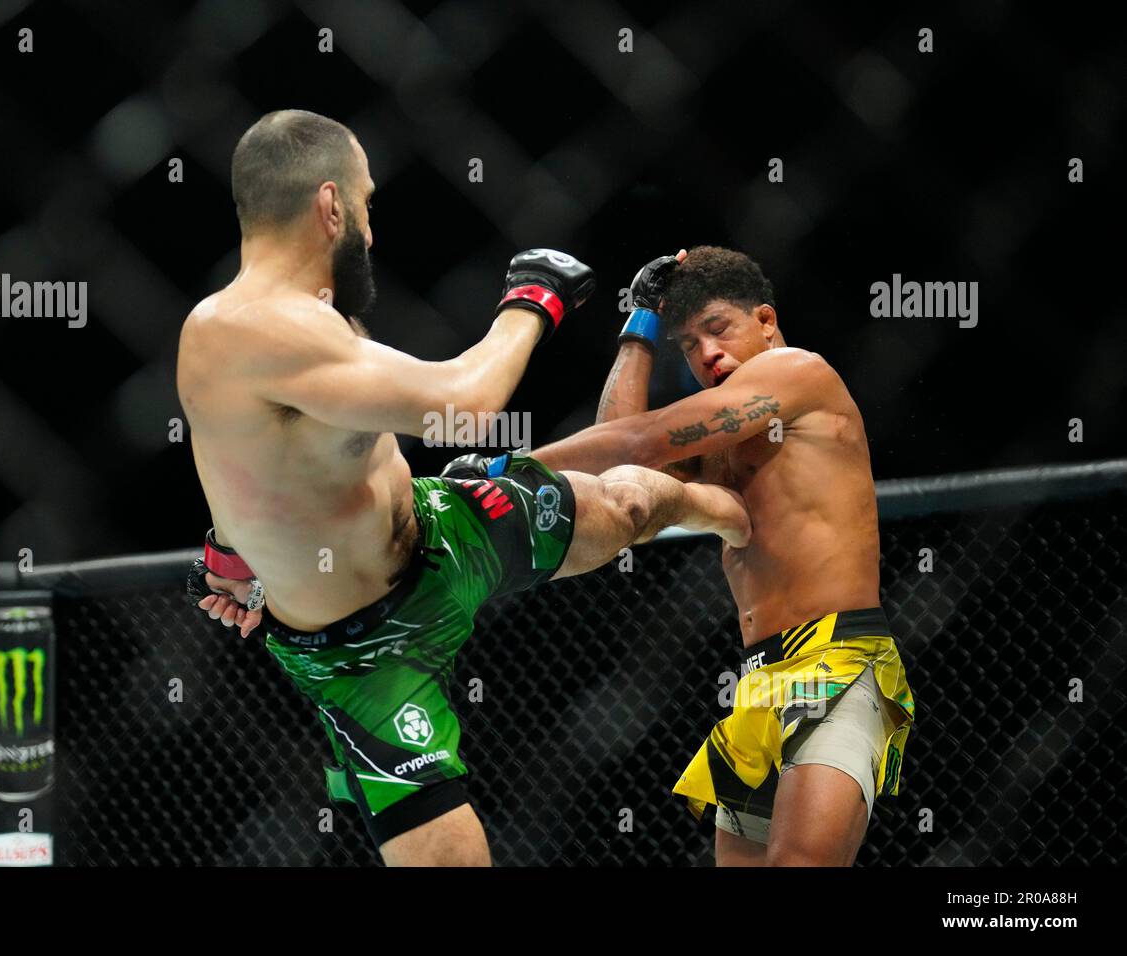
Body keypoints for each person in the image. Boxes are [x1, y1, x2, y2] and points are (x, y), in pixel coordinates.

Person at [178, 110, 751, 866]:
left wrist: (235, 545)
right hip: (365, 659)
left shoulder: (309, 322)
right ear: (331, 207)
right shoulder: (242, 328)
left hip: (441, 533)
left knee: (628, 504)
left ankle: (742, 519)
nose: (371, 234)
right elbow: (463, 407)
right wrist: (532, 300)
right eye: (367, 205)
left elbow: (283, 456)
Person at [527, 245, 917, 866]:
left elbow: (642, 438)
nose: (708, 355)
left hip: (840, 659)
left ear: (765, 320)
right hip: (758, 677)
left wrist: (507, 469)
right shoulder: (721, 446)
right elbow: (622, 461)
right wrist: (640, 324)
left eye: (719, 330)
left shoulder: (799, 372)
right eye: (689, 345)